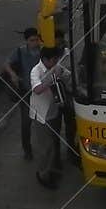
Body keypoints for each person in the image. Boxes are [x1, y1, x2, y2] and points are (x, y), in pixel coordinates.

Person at [3, 28, 44, 160]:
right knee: (26, 123)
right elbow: (6, 64)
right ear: (26, 41)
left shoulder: (43, 51)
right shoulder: (20, 52)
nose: (35, 43)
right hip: (26, 92)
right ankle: (27, 150)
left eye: (36, 40)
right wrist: (13, 74)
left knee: (44, 122)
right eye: (32, 40)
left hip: (41, 91)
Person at [30, 47, 68, 188]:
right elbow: (37, 89)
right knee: (45, 147)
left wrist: (62, 73)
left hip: (53, 111)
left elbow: (68, 76)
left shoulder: (56, 67)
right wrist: (52, 76)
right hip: (41, 115)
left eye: (56, 60)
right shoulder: (36, 71)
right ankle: (43, 175)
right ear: (45, 59)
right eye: (53, 60)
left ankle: (51, 170)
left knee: (53, 144)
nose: (55, 62)